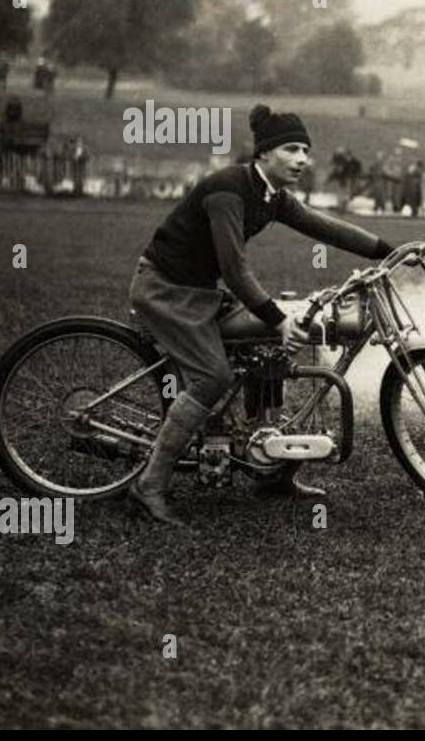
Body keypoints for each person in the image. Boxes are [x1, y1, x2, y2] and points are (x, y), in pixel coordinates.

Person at [126, 105, 403, 525]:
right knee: (212, 377)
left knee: (270, 348)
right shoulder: (228, 190)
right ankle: (149, 485)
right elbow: (235, 270)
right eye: (292, 149)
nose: (302, 159)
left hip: (201, 293)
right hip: (166, 291)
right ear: (264, 153)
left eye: (306, 151)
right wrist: (278, 318)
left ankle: (272, 472)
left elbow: (323, 225)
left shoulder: (271, 196)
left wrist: (390, 250)